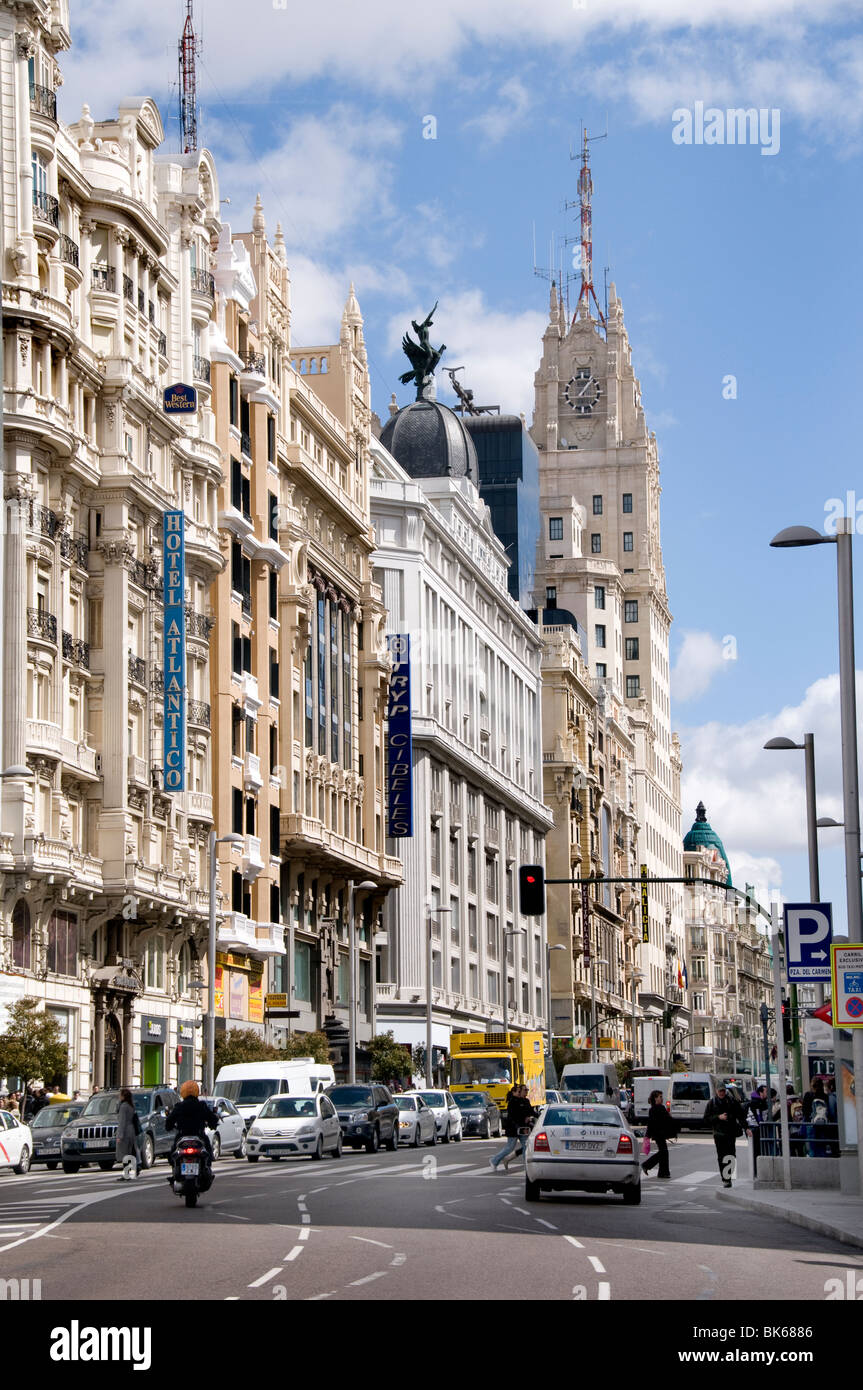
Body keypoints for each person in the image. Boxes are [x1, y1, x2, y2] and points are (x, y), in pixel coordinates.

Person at [165, 1080, 220, 1163]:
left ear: (183, 1092)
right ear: (197, 1091)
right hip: (199, 1135)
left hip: (182, 1135)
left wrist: (169, 1126)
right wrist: (213, 1123)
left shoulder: (179, 1106)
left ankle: (175, 1169)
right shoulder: (201, 1105)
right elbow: (212, 1118)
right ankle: (207, 1168)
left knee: (173, 1154)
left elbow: (169, 1121)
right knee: (208, 1153)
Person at [705, 1083, 746, 1186]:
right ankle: (726, 1179)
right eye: (720, 1091)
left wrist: (746, 1128)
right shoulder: (712, 1103)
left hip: (730, 1133)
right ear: (716, 1091)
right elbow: (706, 1119)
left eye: (723, 1091)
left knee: (731, 1155)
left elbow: (741, 1115)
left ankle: (728, 1175)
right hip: (719, 1134)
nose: (721, 1093)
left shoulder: (732, 1102)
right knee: (721, 1156)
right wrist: (718, 1117)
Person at [490, 1084, 532, 1172]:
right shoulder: (512, 1102)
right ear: (514, 1092)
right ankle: (494, 1160)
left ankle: (526, 1166)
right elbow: (512, 1117)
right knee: (509, 1147)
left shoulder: (523, 1101)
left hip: (522, 1128)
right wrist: (517, 1125)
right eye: (519, 1091)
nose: (522, 1093)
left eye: (522, 1091)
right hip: (513, 1129)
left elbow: (528, 1111)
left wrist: (529, 1117)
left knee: (525, 1146)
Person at [642, 1089, 676, 1179]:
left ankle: (663, 1172)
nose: (662, 1099)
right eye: (660, 1097)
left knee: (663, 1152)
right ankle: (647, 1165)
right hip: (659, 1134)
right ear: (655, 1098)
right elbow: (667, 1120)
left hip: (657, 1134)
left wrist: (647, 1136)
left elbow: (650, 1124)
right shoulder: (659, 1108)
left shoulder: (652, 1109)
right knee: (663, 1152)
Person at [116, 1089, 141, 1180]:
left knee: (125, 1154)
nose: (119, 1096)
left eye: (120, 1095)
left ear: (123, 1096)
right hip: (132, 1131)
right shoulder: (131, 1105)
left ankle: (127, 1174)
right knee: (130, 1152)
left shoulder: (123, 1106)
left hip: (125, 1132)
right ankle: (133, 1171)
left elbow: (122, 1122)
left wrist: (119, 1136)